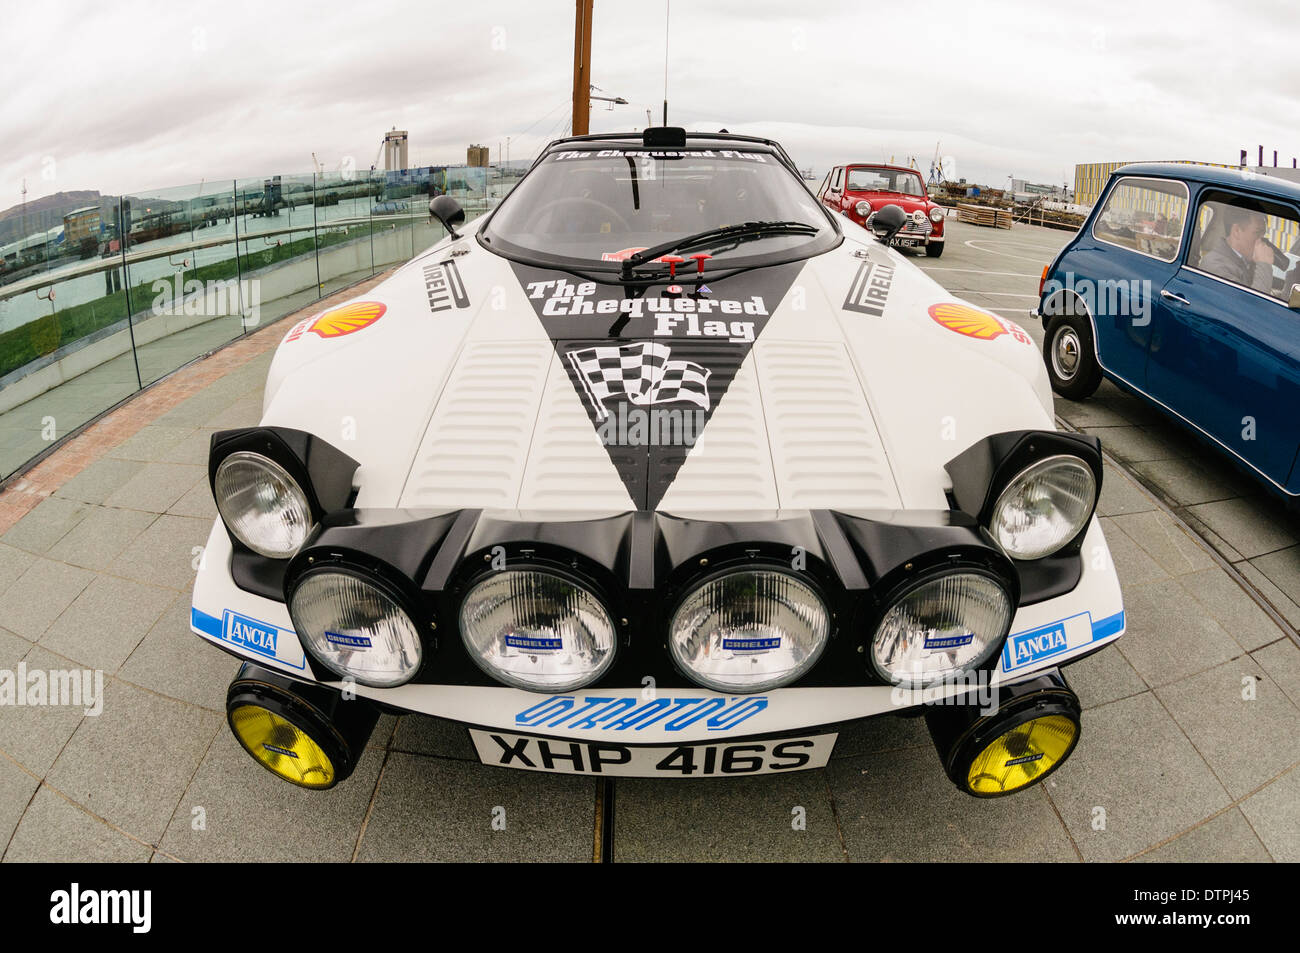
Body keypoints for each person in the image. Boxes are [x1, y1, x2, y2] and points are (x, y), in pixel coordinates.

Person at [1199, 205, 1275, 294]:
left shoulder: (1244, 261)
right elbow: (1252, 305)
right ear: (1237, 231)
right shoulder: (1216, 267)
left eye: (1263, 234)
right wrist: (1264, 264)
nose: (1261, 241)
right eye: (1257, 233)